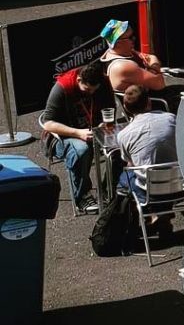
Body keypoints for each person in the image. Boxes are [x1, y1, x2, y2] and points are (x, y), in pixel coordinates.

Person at [40, 62, 105, 213]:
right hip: (62, 136)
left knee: (122, 143)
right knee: (81, 150)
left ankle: (110, 191)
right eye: (87, 89)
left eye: (94, 90)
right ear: (79, 80)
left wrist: (104, 124)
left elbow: (109, 109)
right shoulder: (62, 88)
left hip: (92, 131)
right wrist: (78, 133)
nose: (91, 93)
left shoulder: (102, 83)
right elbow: (48, 123)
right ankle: (82, 196)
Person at [116, 86, 177, 211]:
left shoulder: (124, 135)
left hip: (149, 192)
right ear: (149, 102)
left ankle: (151, 214)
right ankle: (161, 213)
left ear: (125, 108)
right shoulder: (171, 119)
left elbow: (131, 164)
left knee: (124, 178)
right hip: (179, 186)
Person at [99, 19, 166, 94]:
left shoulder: (122, 52)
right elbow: (160, 83)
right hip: (149, 100)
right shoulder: (122, 66)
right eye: (130, 37)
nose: (134, 38)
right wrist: (153, 69)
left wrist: (152, 66)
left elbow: (151, 57)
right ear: (118, 43)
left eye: (133, 35)